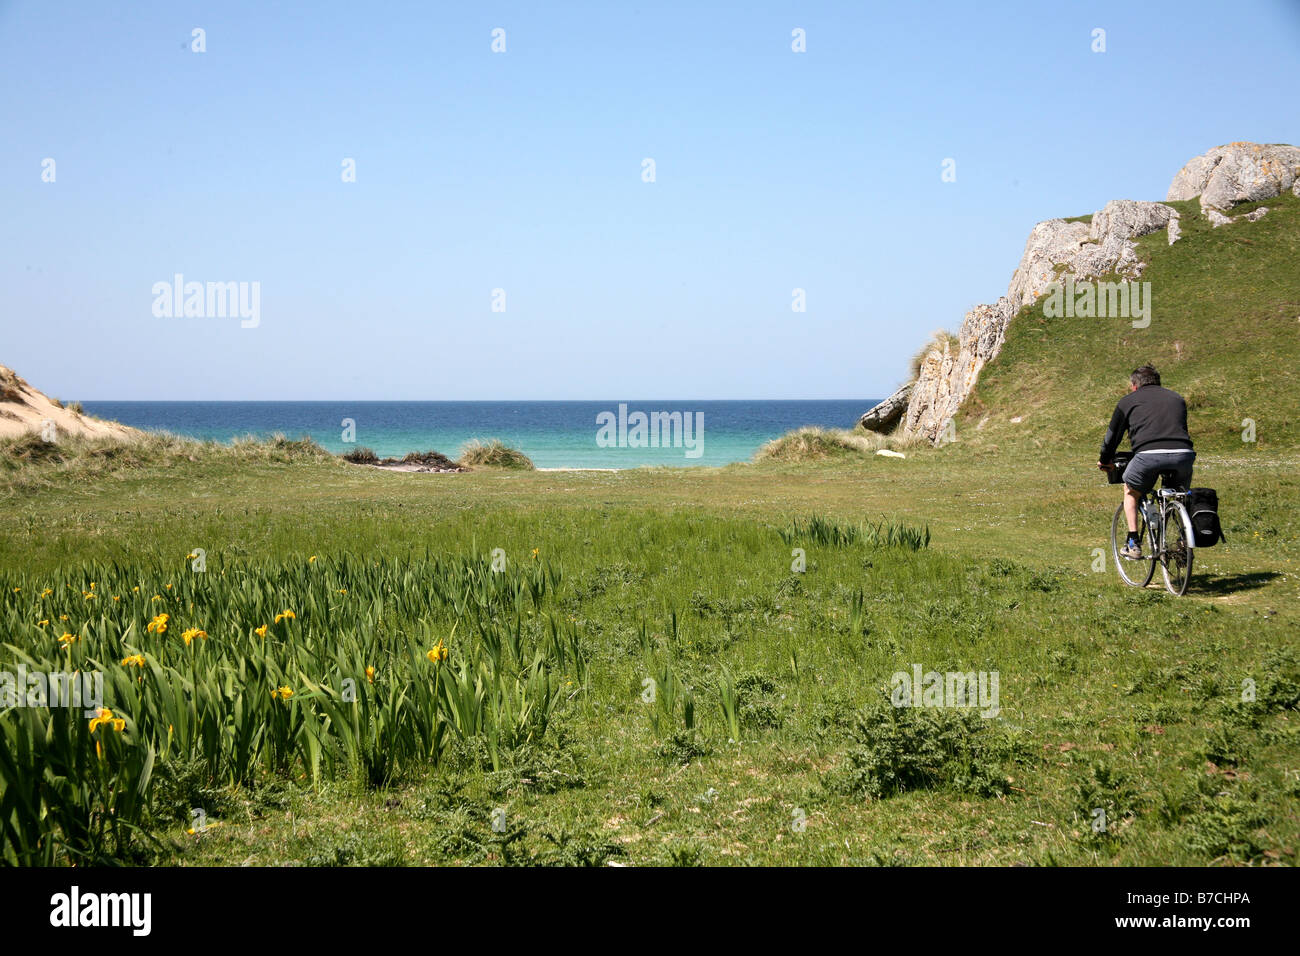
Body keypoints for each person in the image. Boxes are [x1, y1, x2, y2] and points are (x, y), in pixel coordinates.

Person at [1098, 365, 1196, 559]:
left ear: (1134, 386)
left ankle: (1133, 542)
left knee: (1131, 490)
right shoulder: (1177, 398)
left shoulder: (1128, 401)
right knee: (1180, 495)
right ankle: (1183, 540)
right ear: (1158, 382)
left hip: (1148, 455)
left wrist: (1104, 460)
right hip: (1184, 454)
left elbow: (1112, 437)